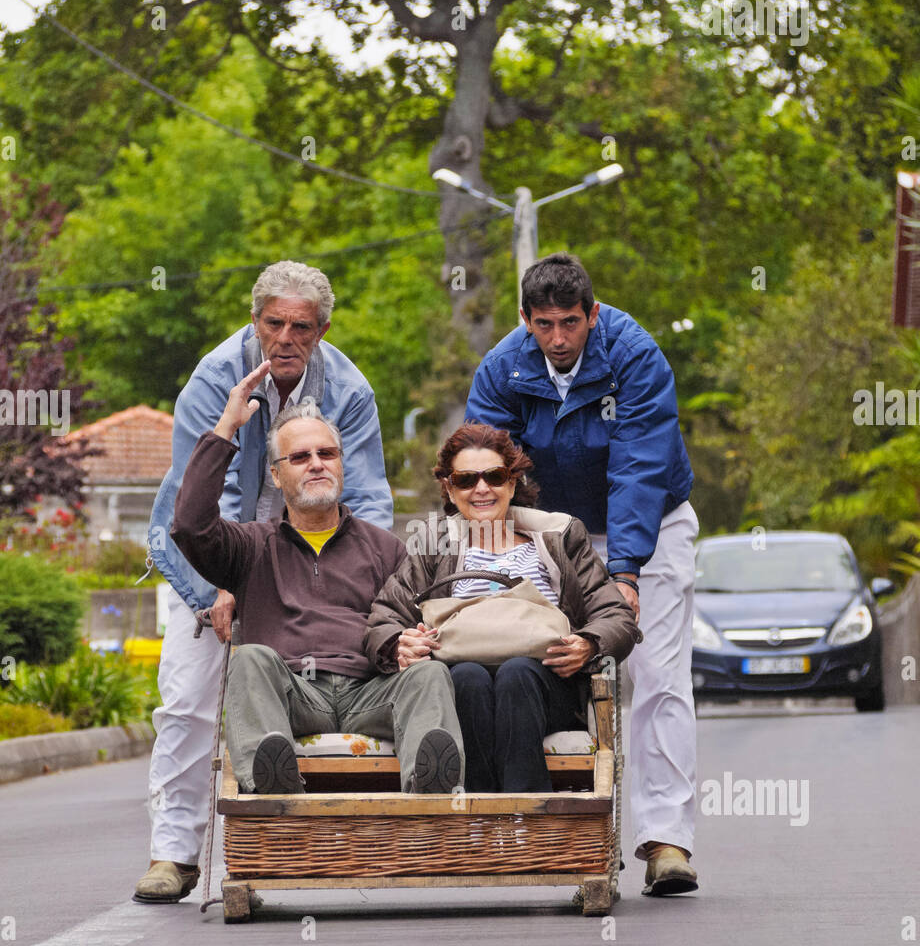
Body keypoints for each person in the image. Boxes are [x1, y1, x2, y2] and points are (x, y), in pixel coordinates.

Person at [136, 261, 392, 903]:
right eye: (273, 323)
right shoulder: (213, 378)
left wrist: (374, 586)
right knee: (190, 700)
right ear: (255, 322)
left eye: (300, 327)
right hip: (209, 552)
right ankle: (174, 855)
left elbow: (366, 495)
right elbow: (204, 494)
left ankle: (296, 841)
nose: (285, 338)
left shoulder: (351, 390)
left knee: (322, 682)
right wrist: (220, 587)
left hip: (308, 563)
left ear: (322, 330)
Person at [465, 252, 699, 896]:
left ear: (593, 315)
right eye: (545, 324)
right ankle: (565, 838)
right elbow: (490, 474)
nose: (559, 338)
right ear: (525, 320)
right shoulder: (501, 369)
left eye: (571, 322)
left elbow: (639, 468)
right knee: (551, 664)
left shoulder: (636, 355)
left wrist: (624, 571)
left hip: (652, 524)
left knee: (657, 674)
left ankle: (666, 841)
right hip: (553, 528)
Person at [168, 366, 464, 799]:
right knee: (248, 659)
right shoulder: (250, 545)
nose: (317, 464)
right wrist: (226, 428)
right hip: (292, 693)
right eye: (300, 457)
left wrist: (411, 642)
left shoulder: (386, 548)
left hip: (371, 691)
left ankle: (430, 794)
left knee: (431, 674)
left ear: (342, 464)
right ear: (275, 474)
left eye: (327, 454)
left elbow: (408, 625)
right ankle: (274, 789)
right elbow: (190, 527)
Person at [365, 422, 639, 792]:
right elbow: (383, 618)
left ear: (513, 482)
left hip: (545, 683)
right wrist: (399, 643)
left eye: (494, 476)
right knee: (468, 678)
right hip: (462, 678)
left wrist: (589, 644)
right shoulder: (434, 543)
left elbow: (616, 616)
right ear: (448, 487)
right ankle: (477, 819)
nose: (481, 489)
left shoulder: (559, 537)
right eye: (465, 480)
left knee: (516, 674)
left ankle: (524, 821)